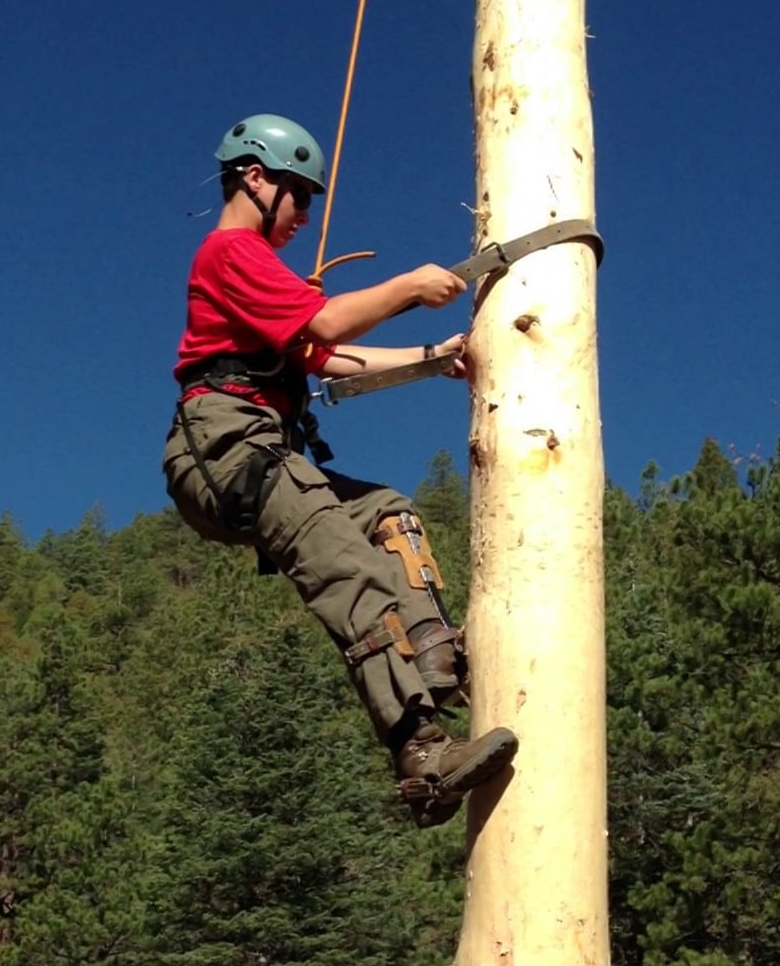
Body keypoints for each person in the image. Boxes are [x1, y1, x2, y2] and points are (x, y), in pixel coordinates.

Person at [162, 113, 517, 826]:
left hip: (259, 446)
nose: (304, 214)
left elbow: (325, 359)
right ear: (255, 178)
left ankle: (435, 659)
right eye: (298, 195)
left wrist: (434, 357)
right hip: (227, 446)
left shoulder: (259, 270)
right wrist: (410, 288)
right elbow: (326, 328)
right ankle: (420, 753)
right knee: (344, 566)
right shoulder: (230, 252)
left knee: (389, 514)